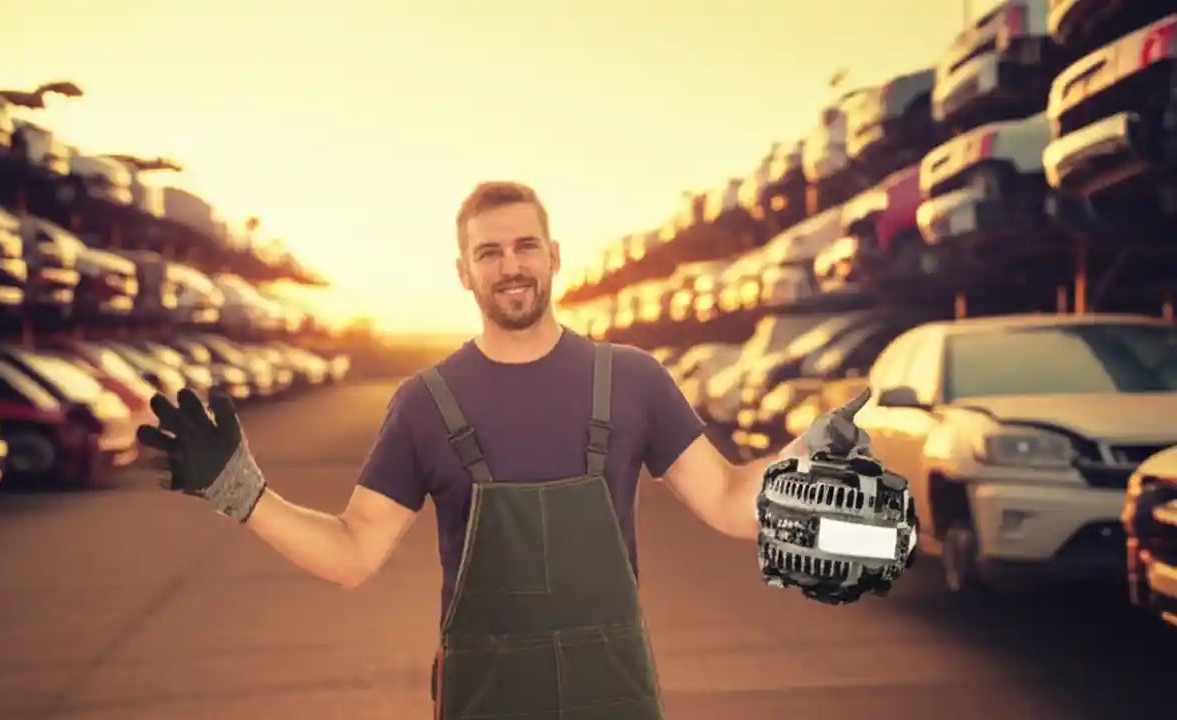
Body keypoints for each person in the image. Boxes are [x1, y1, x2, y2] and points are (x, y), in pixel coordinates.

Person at [137, 180, 869, 719]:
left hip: (611, 696)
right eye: (488, 252)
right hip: (485, 700)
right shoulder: (425, 403)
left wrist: (804, 456)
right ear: (464, 271)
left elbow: (731, 504)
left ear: (553, 256)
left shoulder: (634, 380)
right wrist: (243, 494)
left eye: (524, 247)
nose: (509, 265)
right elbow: (352, 554)